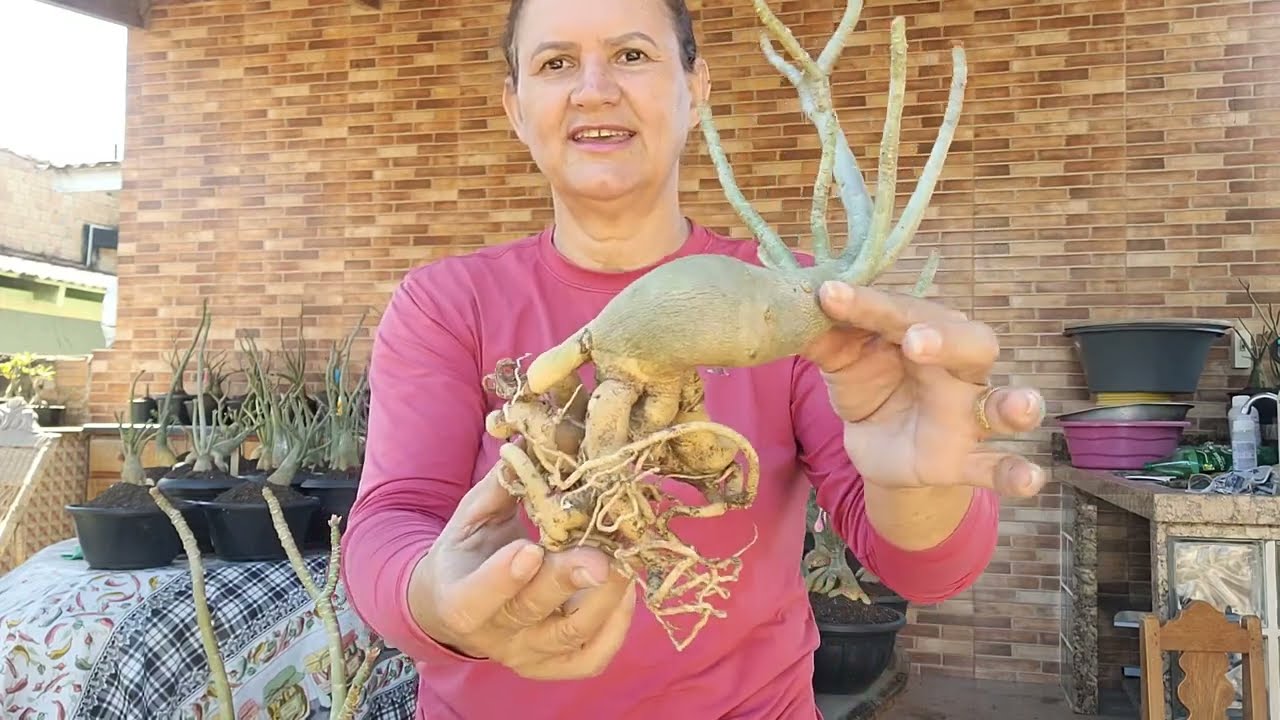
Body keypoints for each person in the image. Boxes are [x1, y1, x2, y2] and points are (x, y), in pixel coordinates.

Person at [340, 0, 1047, 717]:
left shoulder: (810, 308)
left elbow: (926, 567)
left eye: (632, 55)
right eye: (555, 63)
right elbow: (390, 522)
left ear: (696, 87)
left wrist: (918, 484)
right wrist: (440, 603)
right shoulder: (446, 303)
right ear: (516, 107)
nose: (594, 89)